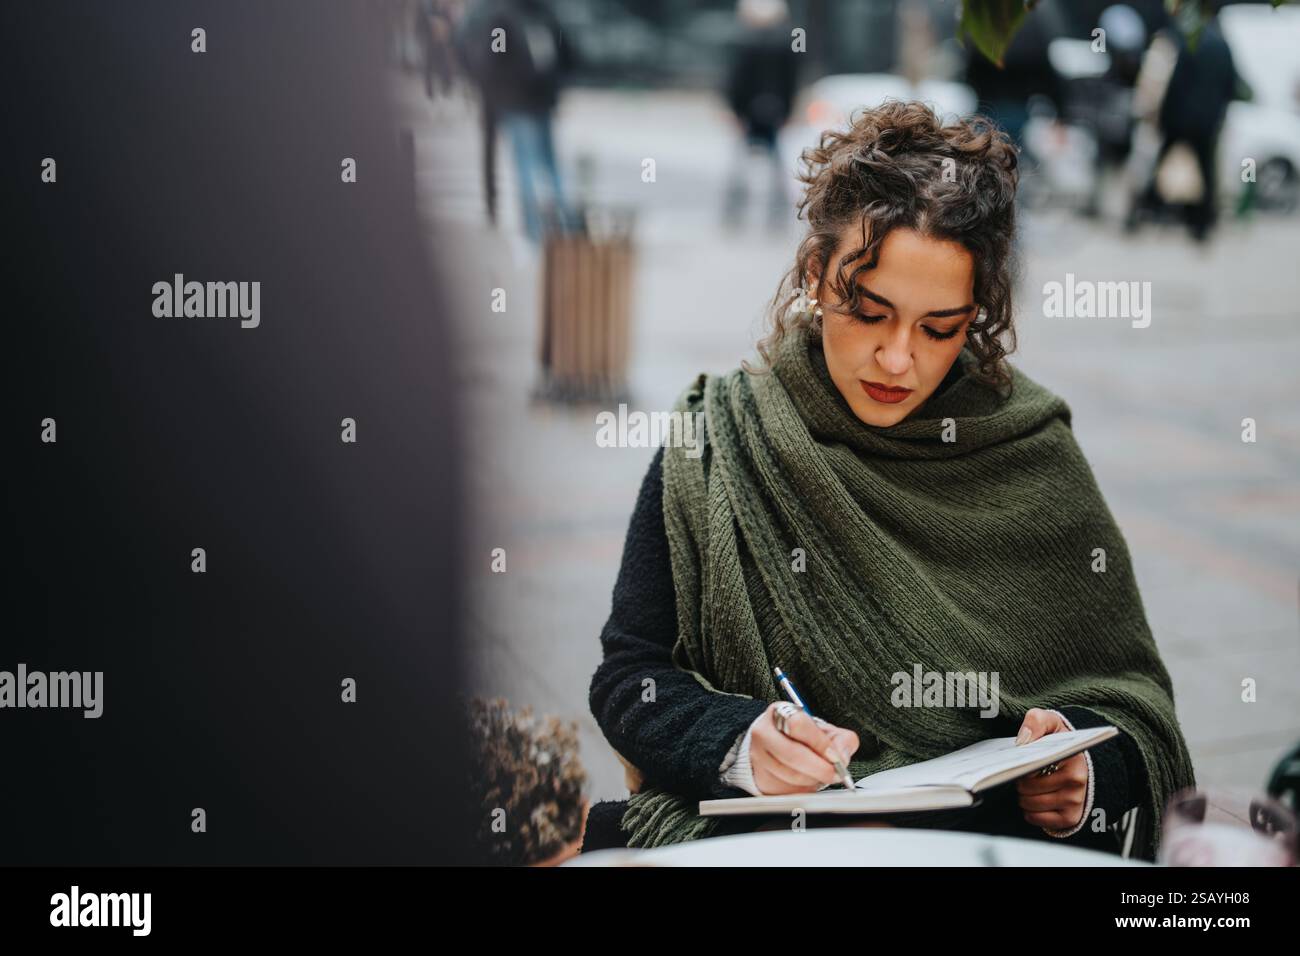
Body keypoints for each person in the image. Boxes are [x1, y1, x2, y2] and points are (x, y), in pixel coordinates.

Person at [585, 102, 1195, 861]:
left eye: (939, 329)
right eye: (868, 313)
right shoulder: (721, 436)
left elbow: (1132, 704)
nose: (897, 359)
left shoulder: (1029, 452)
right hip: (767, 842)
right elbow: (630, 677)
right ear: (815, 275)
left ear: (976, 316)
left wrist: (1083, 776)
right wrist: (739, 742)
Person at [456, 0, 578, 244]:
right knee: (549, 167)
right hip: (538, 100)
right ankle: (562, 229)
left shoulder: (504, 16)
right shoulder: (541, 13)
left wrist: (492, 90)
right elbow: (568, 53)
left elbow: (489, 60)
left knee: (528, 169)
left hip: (518, 101)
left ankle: (536, 233)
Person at [721, 0, 799, 232]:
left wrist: (735, 111)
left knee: (742, 167)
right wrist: (788, 111)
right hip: (775, 110)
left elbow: (736, 79)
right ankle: (775, 217)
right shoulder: (786, 42)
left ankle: (734, 215)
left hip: (749, 111)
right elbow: (791, 80)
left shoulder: (744, 42)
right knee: (776, 169)